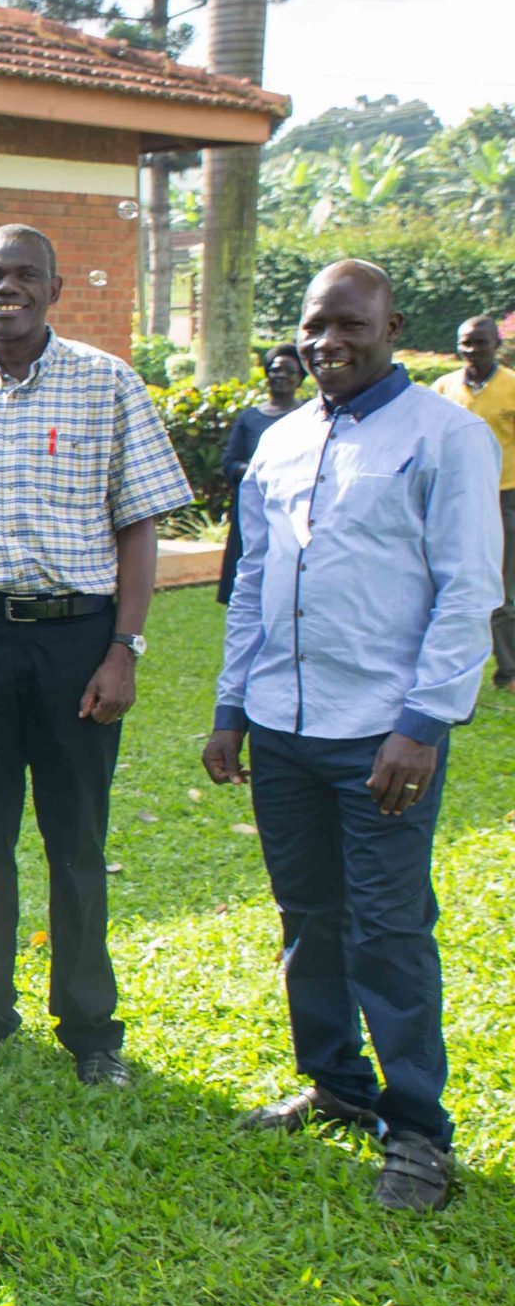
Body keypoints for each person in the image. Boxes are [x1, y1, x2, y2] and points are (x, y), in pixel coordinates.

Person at [206, 260, 502, 1214]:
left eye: (350, 324)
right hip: (285, 729)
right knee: (309, 917)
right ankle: (335, 1080)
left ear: (391, 324)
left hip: (384, 733)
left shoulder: (446, 438)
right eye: (313, 325)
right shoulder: (283, 440)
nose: (328, 341)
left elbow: (468, 589)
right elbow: (252, 584)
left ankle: (418, 1130)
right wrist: (229, 707)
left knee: (389, 927)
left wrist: (424, 723)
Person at [0, 224, 191, 1086]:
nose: (6, 288)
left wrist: (124, 648)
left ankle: (92, 1032)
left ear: (56, 288)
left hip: (77, 641)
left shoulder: (108, 383)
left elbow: (141, 523)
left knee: (75, 842)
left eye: (25, 275)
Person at [434, 314, 515, 690]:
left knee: (503, 590)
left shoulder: (512, 387)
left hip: (505, 497)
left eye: (479, 342)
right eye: (465, 342)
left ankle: (509, 672)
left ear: (495, 345)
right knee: (451, 585)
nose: (471, 350)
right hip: (456, 498)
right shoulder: (443, 388)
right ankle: (445, 667)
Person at [216, 343, 306, 604]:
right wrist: (262, 472)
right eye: (275, 370)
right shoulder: (249, 418)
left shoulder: (309, 416)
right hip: (255, 507)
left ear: (300, 377)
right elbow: (230, 463)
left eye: (289, 371)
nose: (280, 376)